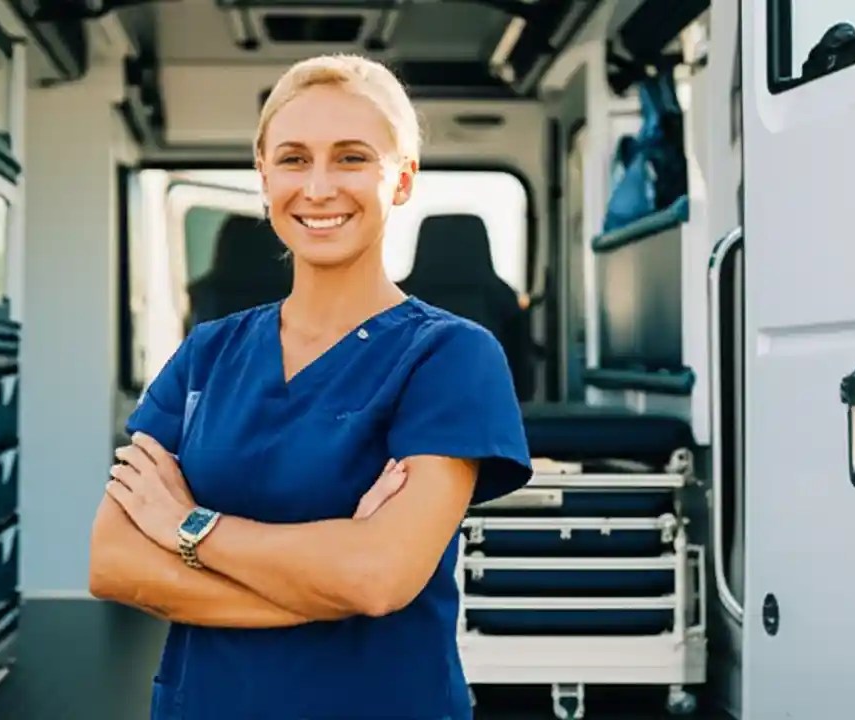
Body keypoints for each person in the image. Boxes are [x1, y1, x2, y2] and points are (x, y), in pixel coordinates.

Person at [89, 53, 532, 720]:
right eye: (294, 159)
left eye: (352, 158)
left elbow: (379, 577)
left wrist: (188, 526)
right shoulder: (208, 352)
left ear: (403, 180)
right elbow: (116, 562)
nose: (318, 187)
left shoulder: (451, 356)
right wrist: (328, 577)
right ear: (263, 175)